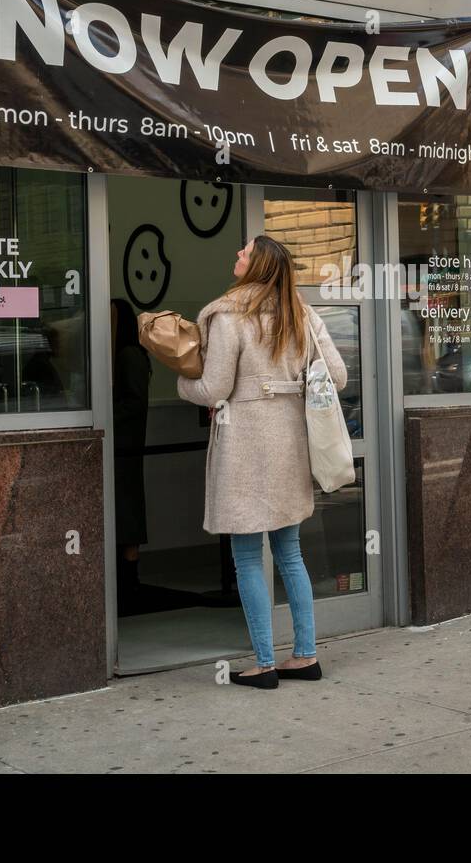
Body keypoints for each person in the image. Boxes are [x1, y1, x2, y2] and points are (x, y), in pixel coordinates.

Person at [176, 234, 346, 690]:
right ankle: (306, 656)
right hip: (290, 441)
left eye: (244, 251)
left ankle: (265, 664)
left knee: (247, 554)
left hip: (245, 443)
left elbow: (212, 388)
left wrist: (182, 386)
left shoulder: (228, 315)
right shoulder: (301, 314)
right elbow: (339, 375)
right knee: (290, 551)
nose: (237, 254)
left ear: (257, 265)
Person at [111, 297, 155, 616]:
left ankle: (130, 586)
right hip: (121, 446)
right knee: (123, 513)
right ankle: (127, 585)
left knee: (127, 513)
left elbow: (135, 403)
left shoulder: (129, 355)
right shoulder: (123, 354)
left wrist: (105, 414)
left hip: (125, 446)